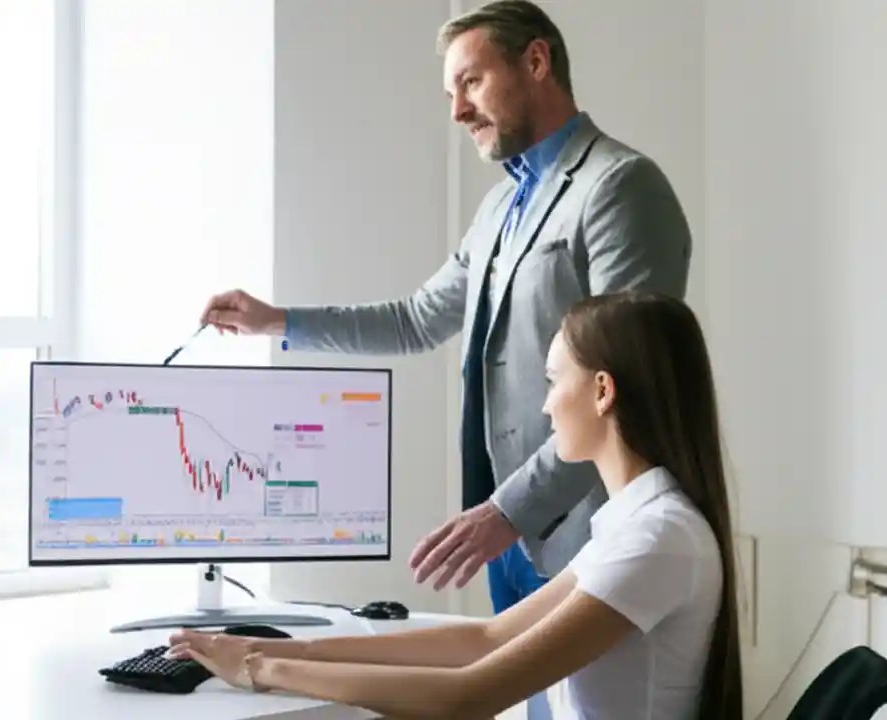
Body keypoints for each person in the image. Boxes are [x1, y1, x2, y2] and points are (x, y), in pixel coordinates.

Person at [200, 0, 690, 659]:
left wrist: (506, 511)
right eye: (450, 91)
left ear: (537, 61)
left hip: (588, 528)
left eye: (471, 82)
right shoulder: (499, 207)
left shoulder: (619, 186)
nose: (457, 110)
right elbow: (417, 319)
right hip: (513, 540)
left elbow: (625, 386)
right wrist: (277, 323)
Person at [170, 292, 743, 720]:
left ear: (601, 390)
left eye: (552, 380)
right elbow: (486, 639)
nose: (545, 407)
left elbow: (471, 693)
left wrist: (260, 671)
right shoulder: (638, 526)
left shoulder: (657, 539)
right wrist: (269, 647)